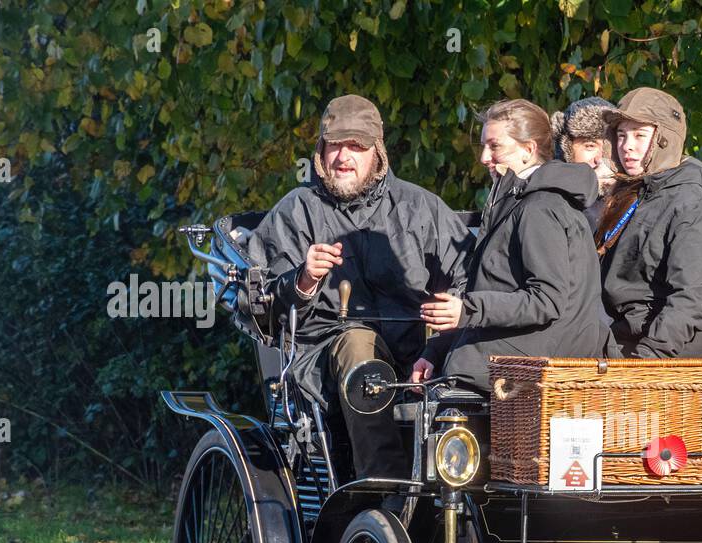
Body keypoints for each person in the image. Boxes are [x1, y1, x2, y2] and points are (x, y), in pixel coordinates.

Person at [244, 94, 472, 479]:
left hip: (415, 359)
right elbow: (256, 310)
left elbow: (470, 279)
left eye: (356, 146)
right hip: (320, 363)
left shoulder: (420, 207)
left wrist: (437, 347)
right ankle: (384, 491)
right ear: (320, 152)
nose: (343, 157)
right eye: (334, 146)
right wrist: (302, 280)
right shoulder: (296, 211)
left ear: (377, 153)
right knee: (356, 341)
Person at [412, 99, 606, 392]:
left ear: (529, 149)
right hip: (518, 358)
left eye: (495, 146)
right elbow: (496, 296)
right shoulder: (520, 202)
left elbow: (547, 301)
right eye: (483, 146)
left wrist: (467, 310)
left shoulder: (541, 207)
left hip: (539, 374)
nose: (484, 158)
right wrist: (436, 352)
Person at [595, 87, 702, 359]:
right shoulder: (632, 195)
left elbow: (690, 300)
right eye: (621, 135)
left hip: (664, 362)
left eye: (639, 135)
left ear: (664, 141)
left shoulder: (693, 208)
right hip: (617, 347)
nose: (626, 146)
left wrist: (647, 362)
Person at [550, 96, 617, 232]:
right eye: (590, 146)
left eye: (608, 146)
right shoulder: (549, 205)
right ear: (566, 150)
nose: (600, 158)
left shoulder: (635, 200)